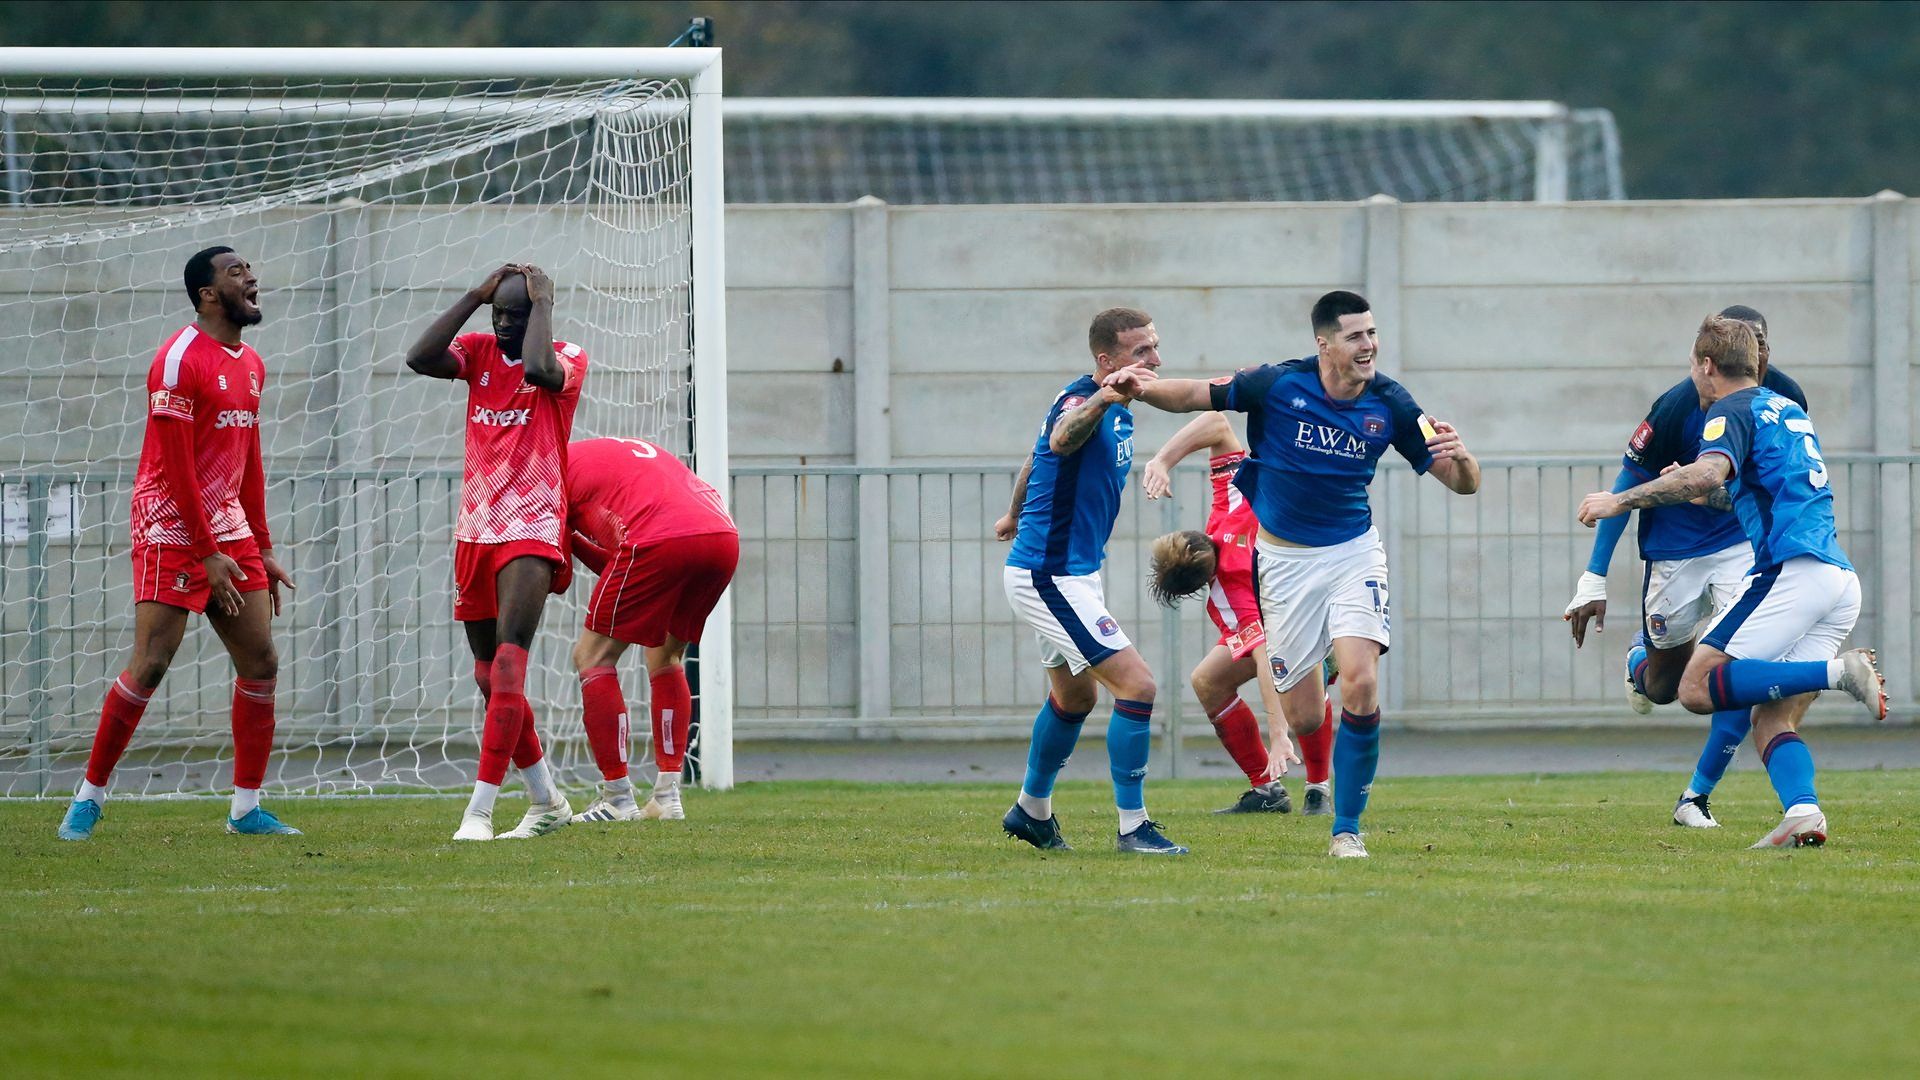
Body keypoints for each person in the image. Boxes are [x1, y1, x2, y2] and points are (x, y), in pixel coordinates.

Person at [1111, 290, 1480, 858]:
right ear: (1324, 343)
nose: (1369, 345)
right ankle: (1327, 657)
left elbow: (1461, 481)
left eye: (1372, 333)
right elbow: (1194, 395)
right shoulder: (1277, 384)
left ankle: (1347, 830)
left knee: (1360, 681)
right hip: (1283, 567)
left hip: (1354, 555)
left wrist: (1465, 457)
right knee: (1305, 715)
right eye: (1356, 336)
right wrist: (1140, 386)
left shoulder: (1394, 404)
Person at [1577, 316, 1885, 849]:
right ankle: (1803, 812)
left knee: (1696, 690)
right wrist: (1698, 491)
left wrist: (1620, 500)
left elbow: (1708, 472)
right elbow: (1746, 487)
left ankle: (1840, 673)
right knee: (1771, 714)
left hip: (1791, 572)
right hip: (1837, 578)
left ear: (1706, 366)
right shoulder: (1786, 407)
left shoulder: (1727, 410)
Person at [59, 246, 299, 840]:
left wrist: (260, 544)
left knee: (262, 661)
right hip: (171, 522)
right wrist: (204, 549)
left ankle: (245, 810)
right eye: (237, 271)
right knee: (152, 664)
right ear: (208, 294)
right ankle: (88, 799)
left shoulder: (252, 364)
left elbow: (248, 460)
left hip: (229, 525)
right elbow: (173, 463)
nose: (252, 276)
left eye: (251, 266)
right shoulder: (176, 360)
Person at [1564, 305, 1808, 829]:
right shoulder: (1677, 407)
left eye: (1759, 340)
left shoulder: (1784, 398)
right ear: (1708, 359)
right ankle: (1639, 661)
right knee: (1665, 689)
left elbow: (1766, 482)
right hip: (1674, 555)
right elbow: (1623, 486)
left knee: (1736, 669)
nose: (1753, 348)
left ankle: (1696, 797)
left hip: (1742, 549)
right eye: (1744, 339)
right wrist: (1594, 577)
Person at [995, 307, 1188, 855]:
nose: (1154, 359)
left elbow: (1037, 463)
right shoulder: (1084, 401)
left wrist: (1012, 515)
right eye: (1140, 351)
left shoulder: (1122, 407)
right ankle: (1134, 827)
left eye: (1154, 347)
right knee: (1139, 686)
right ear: (1106, 362)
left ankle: (1031, 811)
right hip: (1049, 575)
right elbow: (1060, 439)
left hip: (1072, 571)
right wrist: (1105, 397)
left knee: (1074, 698)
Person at [405, 263, 587, 841]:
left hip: (531, 525)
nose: (505, 324)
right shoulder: (479, 353)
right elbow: (420, 358)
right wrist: (473, 295)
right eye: (499, 314)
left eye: (517, 314)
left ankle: (478, 812)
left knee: (510, 663)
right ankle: (547, 800)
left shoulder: (567, 357)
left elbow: (538, 368)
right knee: (490, 678)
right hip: (475, 530)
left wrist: (543, 305)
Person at [1141, 412, 1332, 815]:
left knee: (1306, 703)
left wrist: (1162, 461)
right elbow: (1265, 660)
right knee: (1209, 681)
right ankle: (1268, 790)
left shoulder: (1221, 550)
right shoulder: (1226, 561)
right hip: (1300, 604)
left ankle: (1318, 786)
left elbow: (1216, 422)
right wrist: (1275, 729)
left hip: (1314, 605)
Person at [562, 436, 739, 824]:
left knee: (592, 656)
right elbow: (621, 567)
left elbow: (557, 574)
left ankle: (617, 797)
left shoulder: (549, 474)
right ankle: (666, 797)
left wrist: (569, 544)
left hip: (658, 540)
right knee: (666, 654)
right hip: (721, 537)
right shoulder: (609, 453)